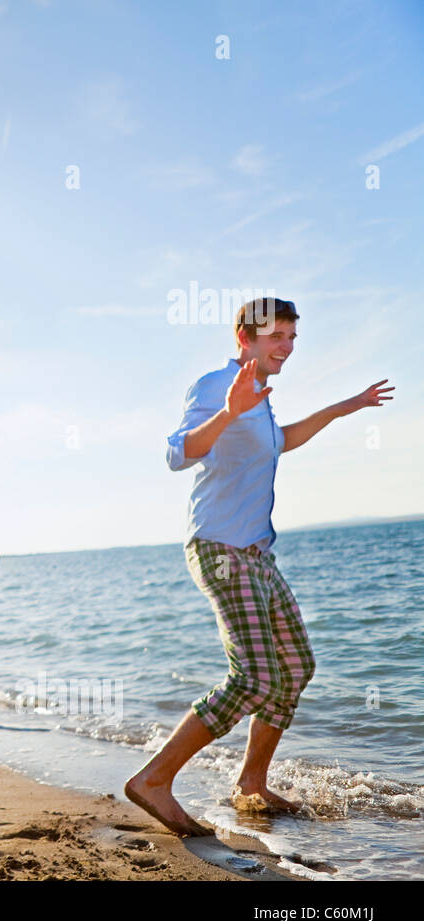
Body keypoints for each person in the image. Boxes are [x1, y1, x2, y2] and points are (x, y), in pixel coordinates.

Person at [125, 297, 393, 837]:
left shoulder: (263, 400)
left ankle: (251, 782)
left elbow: (281, 442)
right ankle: (154, 779)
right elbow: (178, 454)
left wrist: (347, 406)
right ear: (244, 336)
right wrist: (229, 409)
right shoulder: (217, 385)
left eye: (293, 338)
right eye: (277, 338)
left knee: (294, 667)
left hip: (255, 554)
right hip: (220, 551)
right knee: (253, 677)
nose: (287, 348)